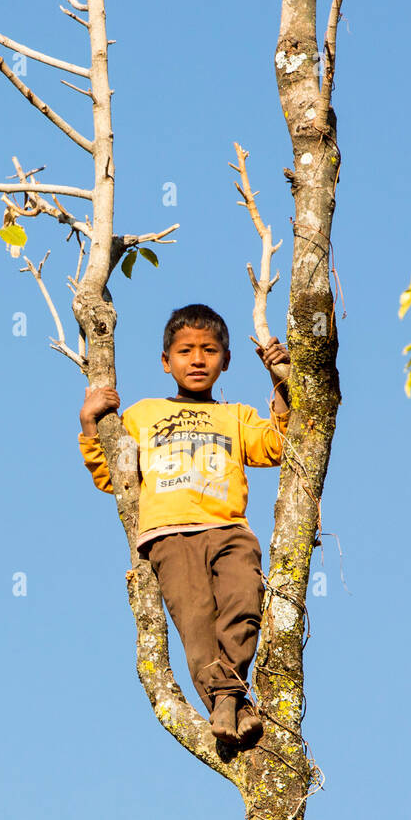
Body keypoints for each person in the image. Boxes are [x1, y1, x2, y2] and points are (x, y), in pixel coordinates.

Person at [78, 302, 290, 745]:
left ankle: (227, 701)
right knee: (196, 627)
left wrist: (282, 381)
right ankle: (231, 703)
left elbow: (277, 446)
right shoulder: (139, 415)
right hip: (169, 536)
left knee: (244, 605)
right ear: (166, 361)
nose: (197, 360)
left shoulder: (237, 416)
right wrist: (89, 420)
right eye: (186, 351)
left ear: (226, 361)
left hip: (229, 530)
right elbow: (110, 477)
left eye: (209, 351)